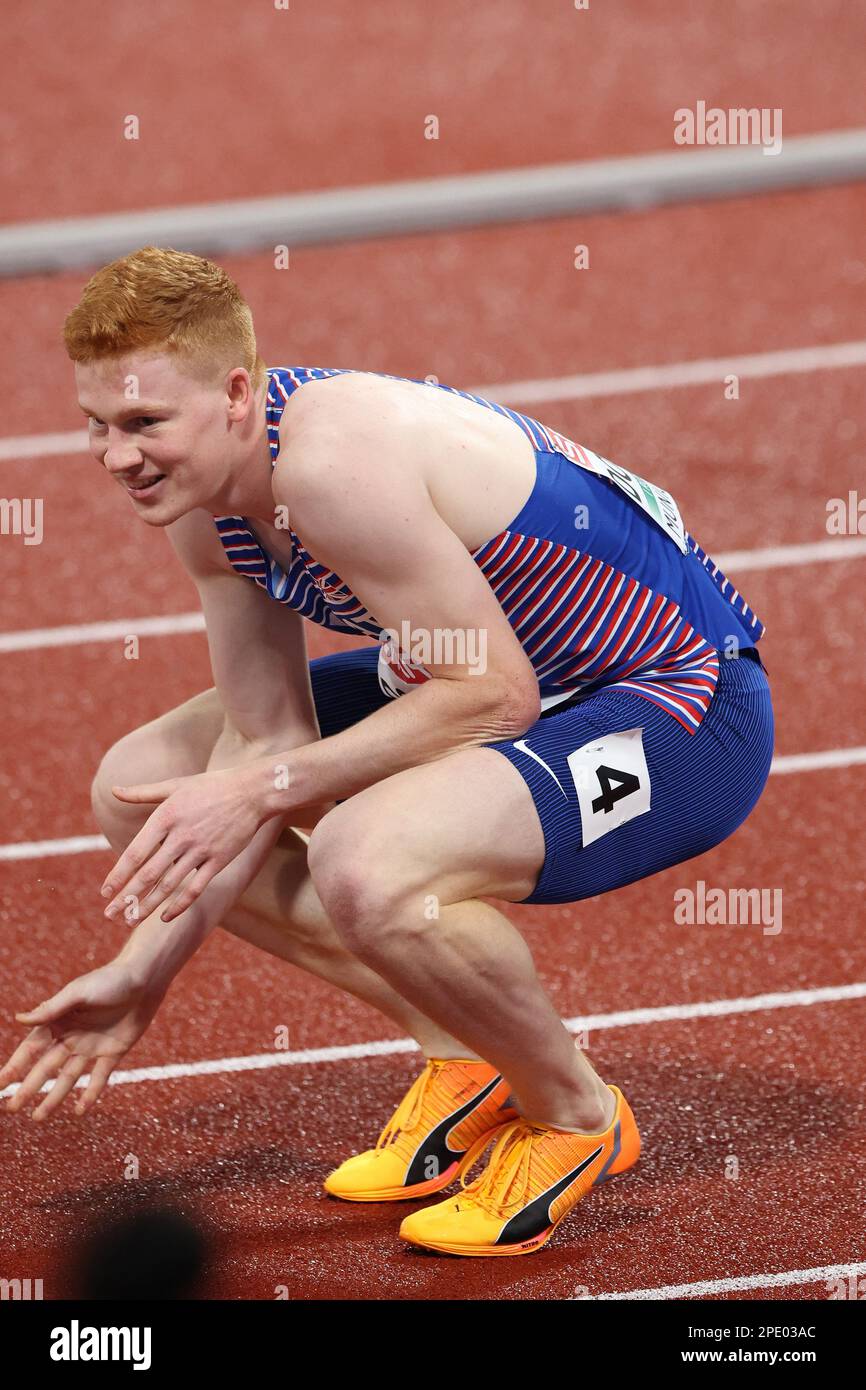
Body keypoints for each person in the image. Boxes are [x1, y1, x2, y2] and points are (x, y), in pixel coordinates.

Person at [0, 247, 774, 1257]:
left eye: (145, 424)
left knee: (365, 859)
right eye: (96, 426)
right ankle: (468, 1050)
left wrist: (261, 787)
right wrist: (142, 971)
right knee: (144, 789)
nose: (116, 458)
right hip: (493, 674)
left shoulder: (331, 466)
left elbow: (495, 695)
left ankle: (575, 1114)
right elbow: (263, 737)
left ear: (236, 395)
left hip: (678, 700)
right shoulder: (206, 503)